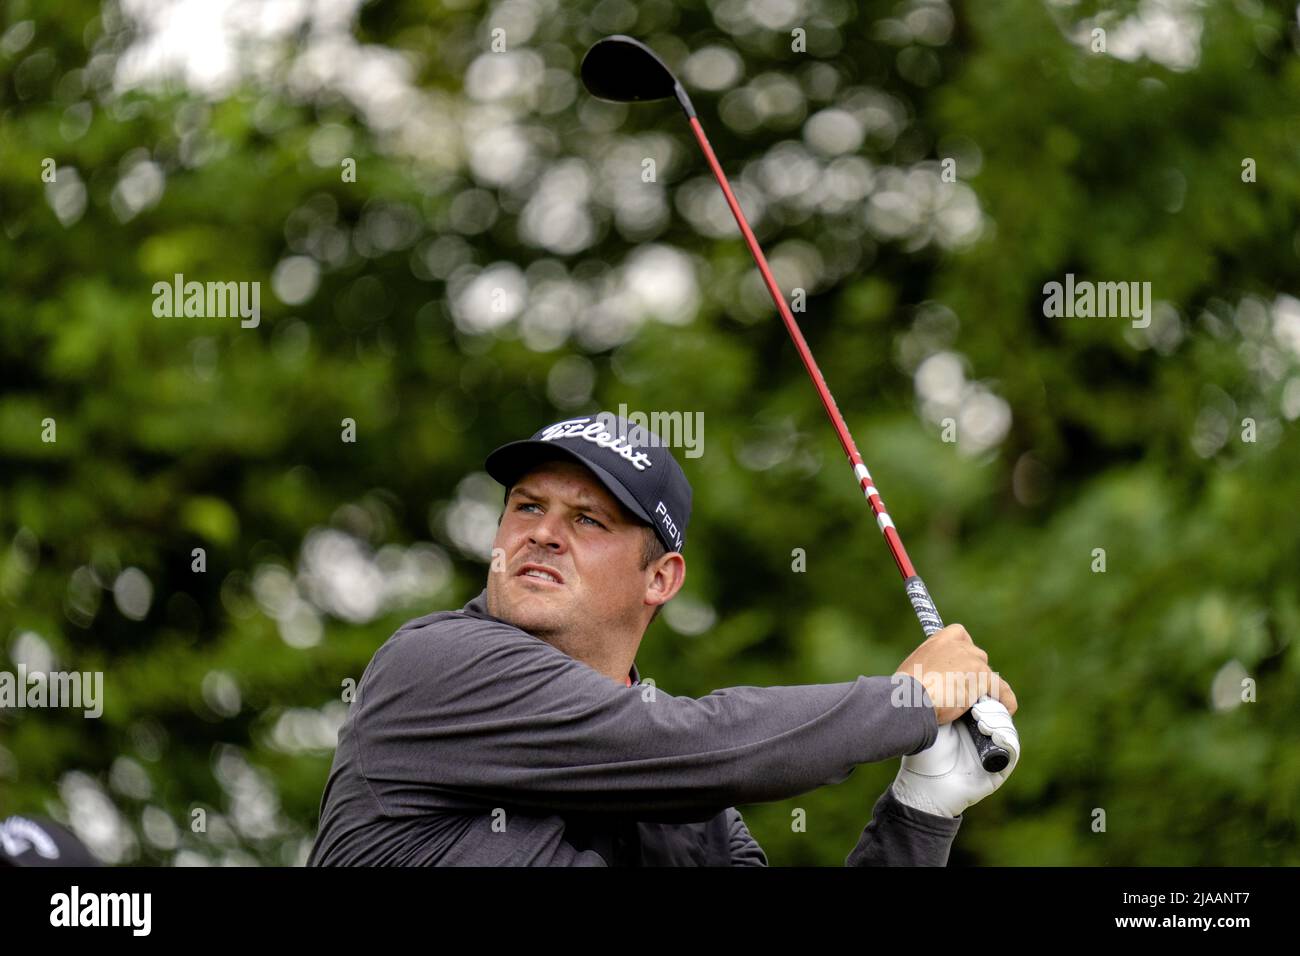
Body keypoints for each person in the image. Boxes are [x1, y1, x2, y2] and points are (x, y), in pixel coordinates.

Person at [308, 411, 1019, 866]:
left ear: (661, 579)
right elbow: (690, 741)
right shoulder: (434, 666)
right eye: (526, 507)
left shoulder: (698, 823)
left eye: (589, 520)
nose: (544, 533)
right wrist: (908, 701)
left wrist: (917, 815)